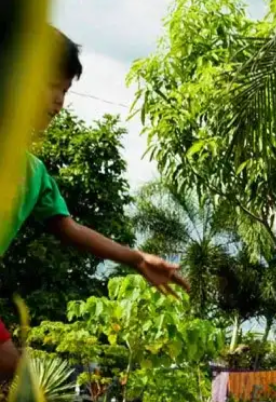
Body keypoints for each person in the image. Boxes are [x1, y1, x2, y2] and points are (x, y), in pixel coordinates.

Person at [0, 27, 187, 380]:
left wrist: (136, 258)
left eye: (65, 90)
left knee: (20, 371)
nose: (59, 100)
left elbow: (68, 227)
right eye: (51, 85)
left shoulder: (34, 174)